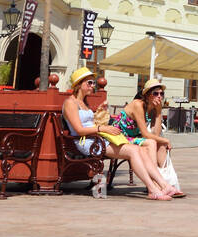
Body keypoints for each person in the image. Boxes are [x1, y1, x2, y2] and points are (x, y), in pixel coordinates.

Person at [61, 68, 179, 200]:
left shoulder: (84, 102)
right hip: (87, 142)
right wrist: (103, 129)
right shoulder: (70, 103)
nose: (93, 85)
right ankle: (152, 189)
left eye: (93, 83)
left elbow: (91, 124)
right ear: (79, 84)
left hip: (98, 139)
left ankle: (163, 185)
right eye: (90, 83)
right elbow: (79, 130)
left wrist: (101, 118)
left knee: (138, 150)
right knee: (134, 151)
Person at [113, 78, 184, 193]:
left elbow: (155, 134)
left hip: (134, 138)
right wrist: (165, 140)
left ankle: (169, 183)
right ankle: (155, 184)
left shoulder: (153, 109)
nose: (159, 96)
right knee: (152, 142)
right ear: (147, 95)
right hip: (120, 138)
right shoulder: (138, 105)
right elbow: (146, 134)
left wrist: (159, 112)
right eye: (155, 93)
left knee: (160, 144)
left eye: (162, 93)